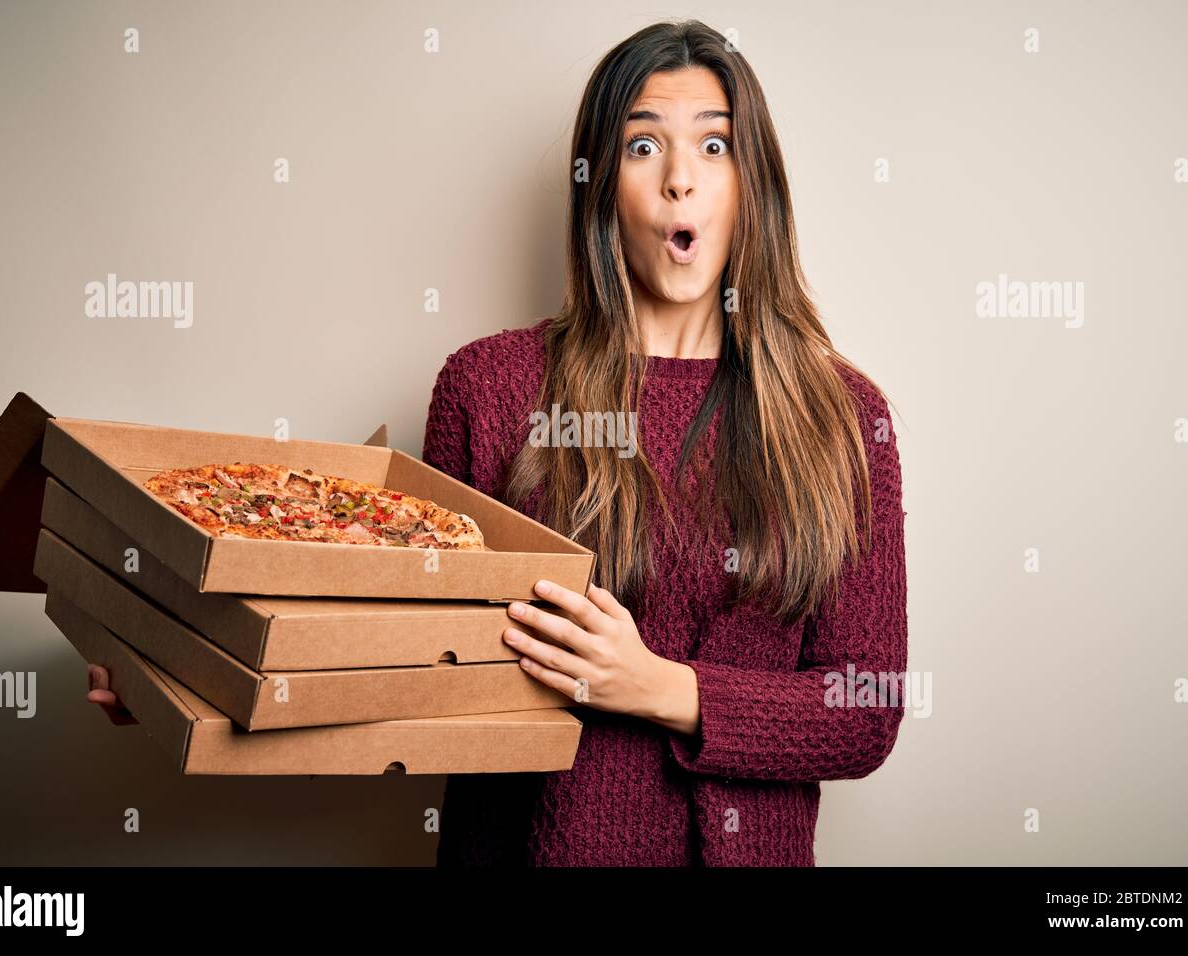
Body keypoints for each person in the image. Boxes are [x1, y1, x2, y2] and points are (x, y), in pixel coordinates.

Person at [89, 18, 908, 868]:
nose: (678, 182)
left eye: (714, 146)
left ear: (754, 182)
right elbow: (400, 664)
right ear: (597, 185)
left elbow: (868, 708)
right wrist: (183, 677)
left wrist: (659, 687)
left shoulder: (843, 418)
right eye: (640, 148)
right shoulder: (491, 388)